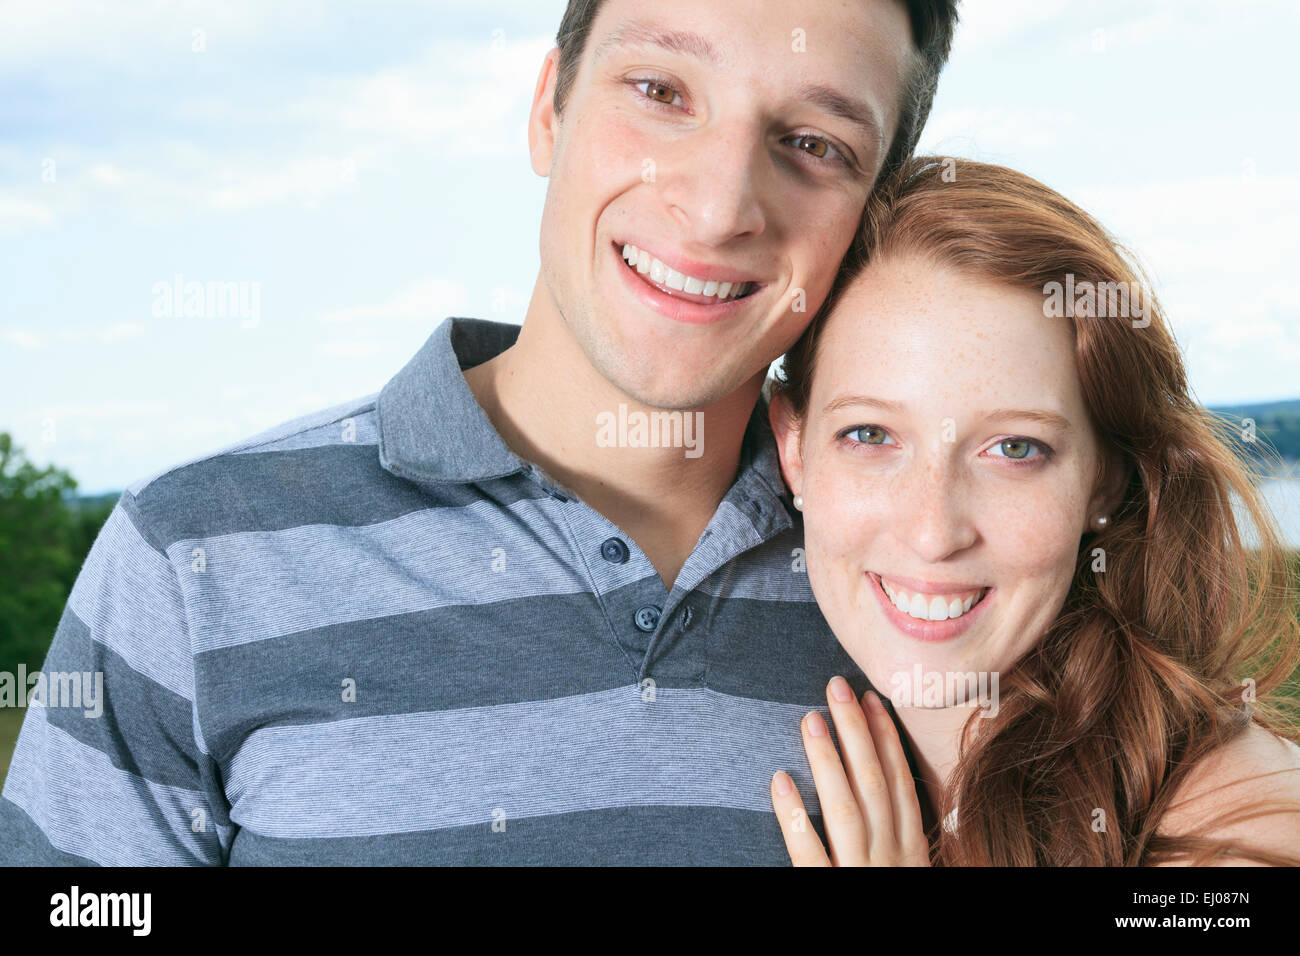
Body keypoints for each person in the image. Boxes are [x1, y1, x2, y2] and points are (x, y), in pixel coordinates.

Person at [0, 0, 960, 865]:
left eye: (813, 142)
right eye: (661, 90)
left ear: (875, 212)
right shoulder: (192, 555)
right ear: (549, 109)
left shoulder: (933, 594)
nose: (716, 210)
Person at [765, 156, 1300, 866]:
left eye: (1014, 448)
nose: (933, 533)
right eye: (870, 435)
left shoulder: (1240, 834)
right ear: (794, 447)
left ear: (1106, 481)